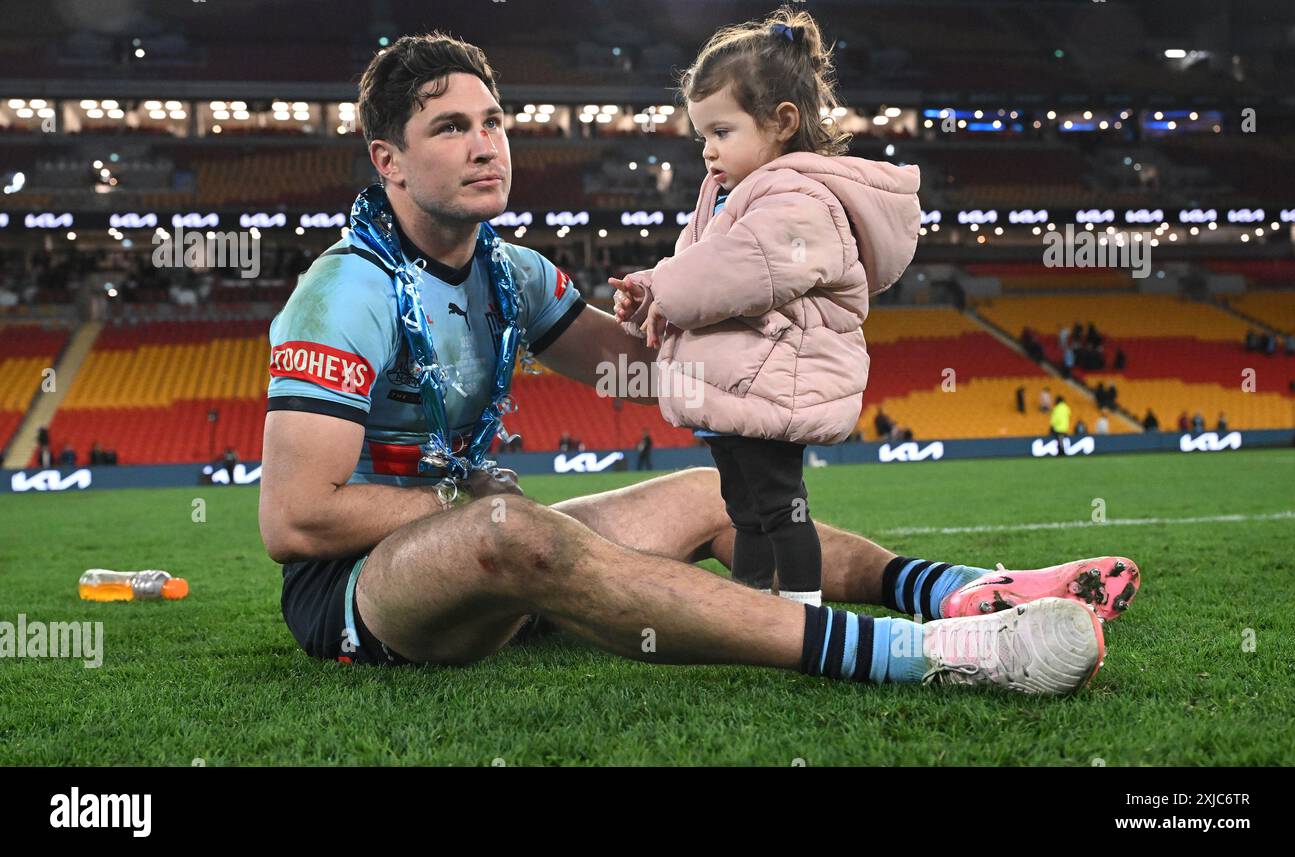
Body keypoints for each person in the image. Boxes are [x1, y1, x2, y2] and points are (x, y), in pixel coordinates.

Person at [257, 28, 1138, 698]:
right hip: (360, 594)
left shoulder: (508, 270)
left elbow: (635, 368)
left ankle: (961, 591)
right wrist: (466, 503)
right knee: (511, 529)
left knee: (714, 491)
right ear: (390, 162)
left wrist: (766, 298)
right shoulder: (344, 292)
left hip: (481, 558)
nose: (488, 144)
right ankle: (933, 656)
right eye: (451, 128)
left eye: (494, 120)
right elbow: (294, 521)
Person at [612, 9, 920, 607]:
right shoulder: (730, 195)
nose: (707, 151)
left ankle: (802, 616)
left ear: (782, 122)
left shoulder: (799, 196)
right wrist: (652, 290)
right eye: (702, 135)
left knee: (782, 508)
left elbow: (741, 270)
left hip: (778, 383)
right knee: (745, 513)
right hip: (740, 386)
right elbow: (699, 265)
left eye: (721, 132)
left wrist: (670, 290)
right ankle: (749, 607)